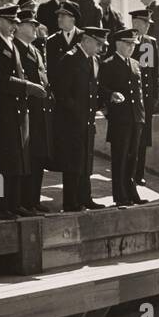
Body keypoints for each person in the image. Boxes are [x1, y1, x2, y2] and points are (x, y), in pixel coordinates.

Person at [0, 2, 46, 218]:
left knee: (15, 161)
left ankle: (13, 204)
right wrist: (27, 87)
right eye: (12, 22)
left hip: (16, 112)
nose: (15, 26)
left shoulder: (11, 44)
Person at [47, 21, 106, 213]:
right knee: (72, 163)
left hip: (86, 120)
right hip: (71, 121)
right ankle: (71, 202)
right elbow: (61, 92)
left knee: (85, 161)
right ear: (87, 41)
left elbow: (93, 89)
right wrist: (76, 111)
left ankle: (85, 198)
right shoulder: (70, 59)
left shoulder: (92, 60)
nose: (99, 49)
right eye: (97, 44)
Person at [99, 28, 147, 207]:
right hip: (120, 119)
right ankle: (120, 195)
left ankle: (132, 191)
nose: (131, 47)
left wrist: (141, 114)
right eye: (128, 44)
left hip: (136, 117)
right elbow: (101, 89)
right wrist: (111, 95)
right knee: (120, 157)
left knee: (133, 157)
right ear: (118, 44)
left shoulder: (135, 64)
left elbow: (140, 91)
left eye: (133, 44)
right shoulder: (108, 64)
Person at [13, 5, 54, 213]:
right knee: (26, 159)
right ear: (18, 26)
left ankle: (34, 200)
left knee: (37, 158)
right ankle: (22, 201)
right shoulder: (14, 48)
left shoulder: (35, 50)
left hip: (40, 112)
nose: (35, 28)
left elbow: (43, 77)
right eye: (31, 24)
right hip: (25, 111)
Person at [130, 8, 159, 186]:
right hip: (132, 97)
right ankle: (129, 172)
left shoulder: (149, 43)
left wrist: (155, 95)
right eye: (145, 23)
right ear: (135, 23)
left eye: (148, 23)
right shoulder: (126, 40)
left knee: (143, 138)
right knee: (131, 137)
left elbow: (153, 71)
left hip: (145, 98)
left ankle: (138, 173)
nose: (148, 27)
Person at [134, 0, 159, 107]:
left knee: (153, 74)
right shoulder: (150, 9)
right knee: (146, 73)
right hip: (147, 47)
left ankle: (158, 103)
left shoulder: (157, 8)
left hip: (152, 47)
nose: (141, 0)